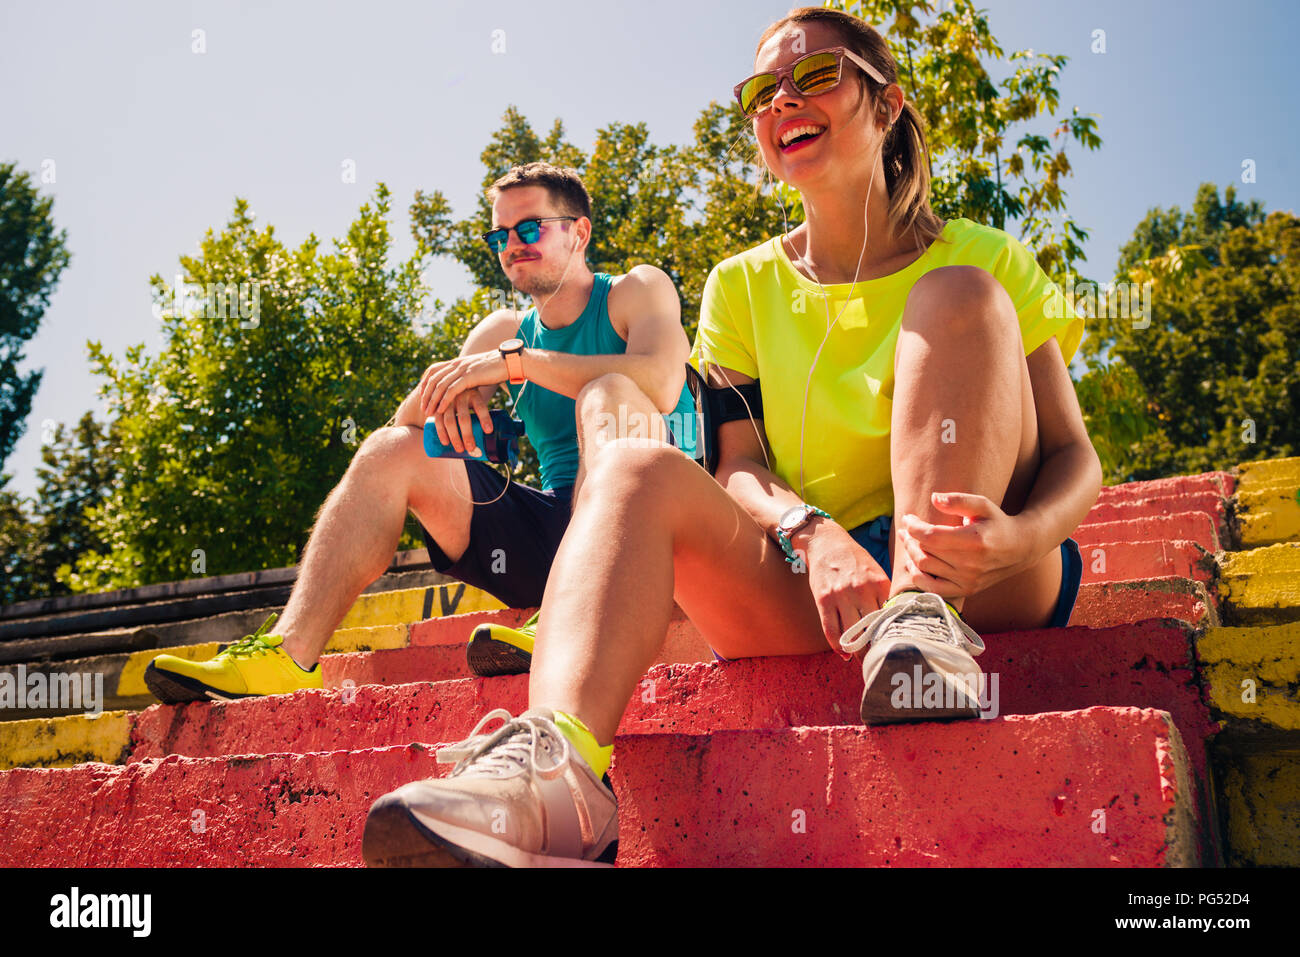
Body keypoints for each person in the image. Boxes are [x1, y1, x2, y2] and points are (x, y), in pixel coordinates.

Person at [360, 6, 1101, 868]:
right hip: (815, 587)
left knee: (959, 295)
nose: (784, 98)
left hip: (982, 572)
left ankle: (921, 622)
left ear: (889, 104)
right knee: (636, 468)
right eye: (762, 90)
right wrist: (811, 532)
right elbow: (740, 466)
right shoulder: (739, 285)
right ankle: (556, 784)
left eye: (817, 75)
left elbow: (1073, 455)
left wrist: (1020, 536)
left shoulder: (986, 257)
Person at [143, 162, 698, 703]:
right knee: (391, 449)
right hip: (553, 538)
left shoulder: (635, 290)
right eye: (499, 234)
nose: (512, 243)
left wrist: (518, 365)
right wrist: (447, 395)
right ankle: (287, 654)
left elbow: (662, 381)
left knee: (612, 392)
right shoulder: (504, 330)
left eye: (530, 227)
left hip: (650, 535)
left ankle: (569, 615)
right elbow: (408, 430)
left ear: (579, 233)